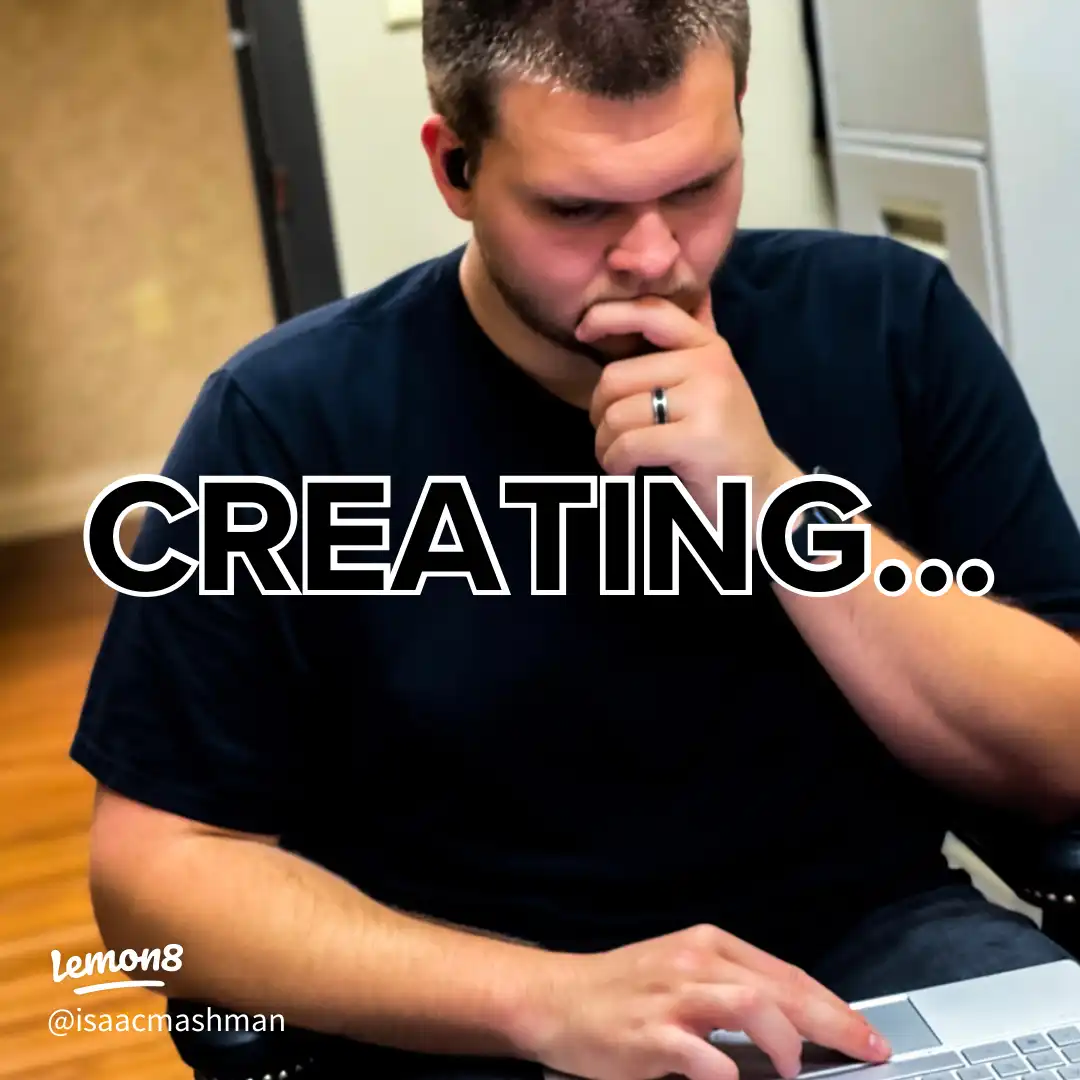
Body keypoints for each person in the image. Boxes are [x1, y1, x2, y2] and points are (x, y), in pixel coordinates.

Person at [71, 2, 1080, 1079]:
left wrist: (770, 493)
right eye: (578, 208)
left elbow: (1062, 748)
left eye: (697, 187)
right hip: (474, 1005)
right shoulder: (286, 419)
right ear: (454, 168)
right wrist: (543, 998)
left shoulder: (888, 320)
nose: (653, 256)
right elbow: (154, 879)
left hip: (867, 954)